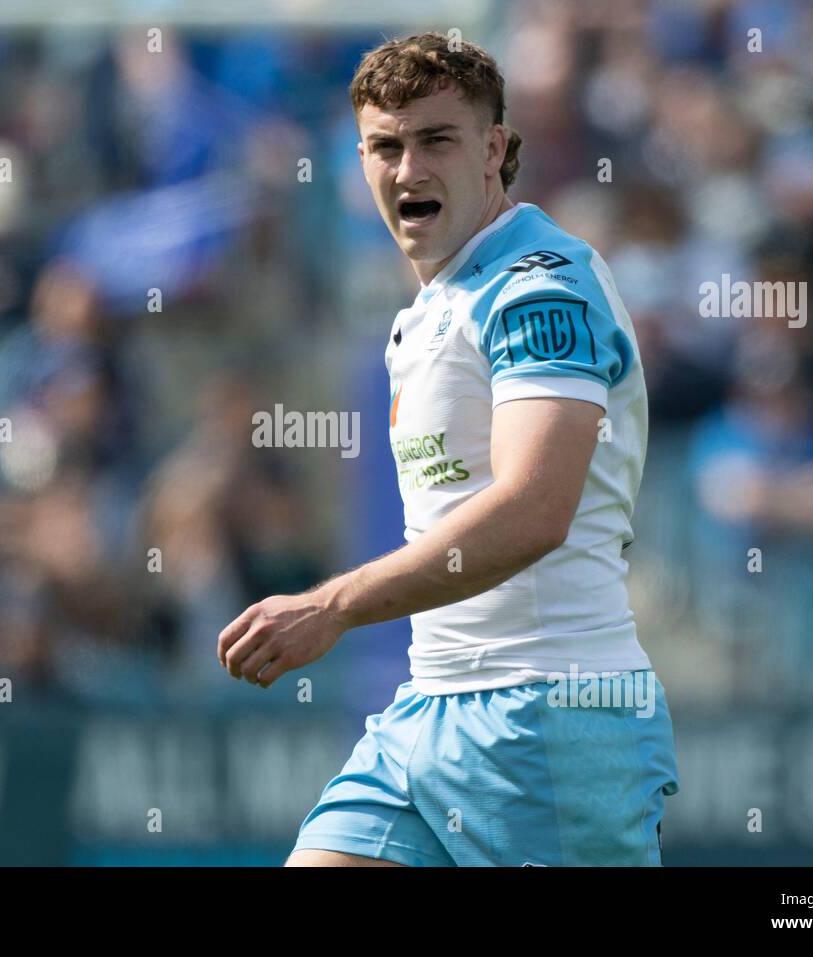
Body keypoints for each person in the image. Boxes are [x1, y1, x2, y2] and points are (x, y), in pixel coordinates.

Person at [217, 32, 679, 866]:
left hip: (548, 713)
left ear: (496, 149)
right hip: (431, 706)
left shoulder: (538, 286)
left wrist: (335, 604)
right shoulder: (436, 301)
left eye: (437, 140)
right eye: (386, 147)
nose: (408, 169)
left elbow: (536, 507)